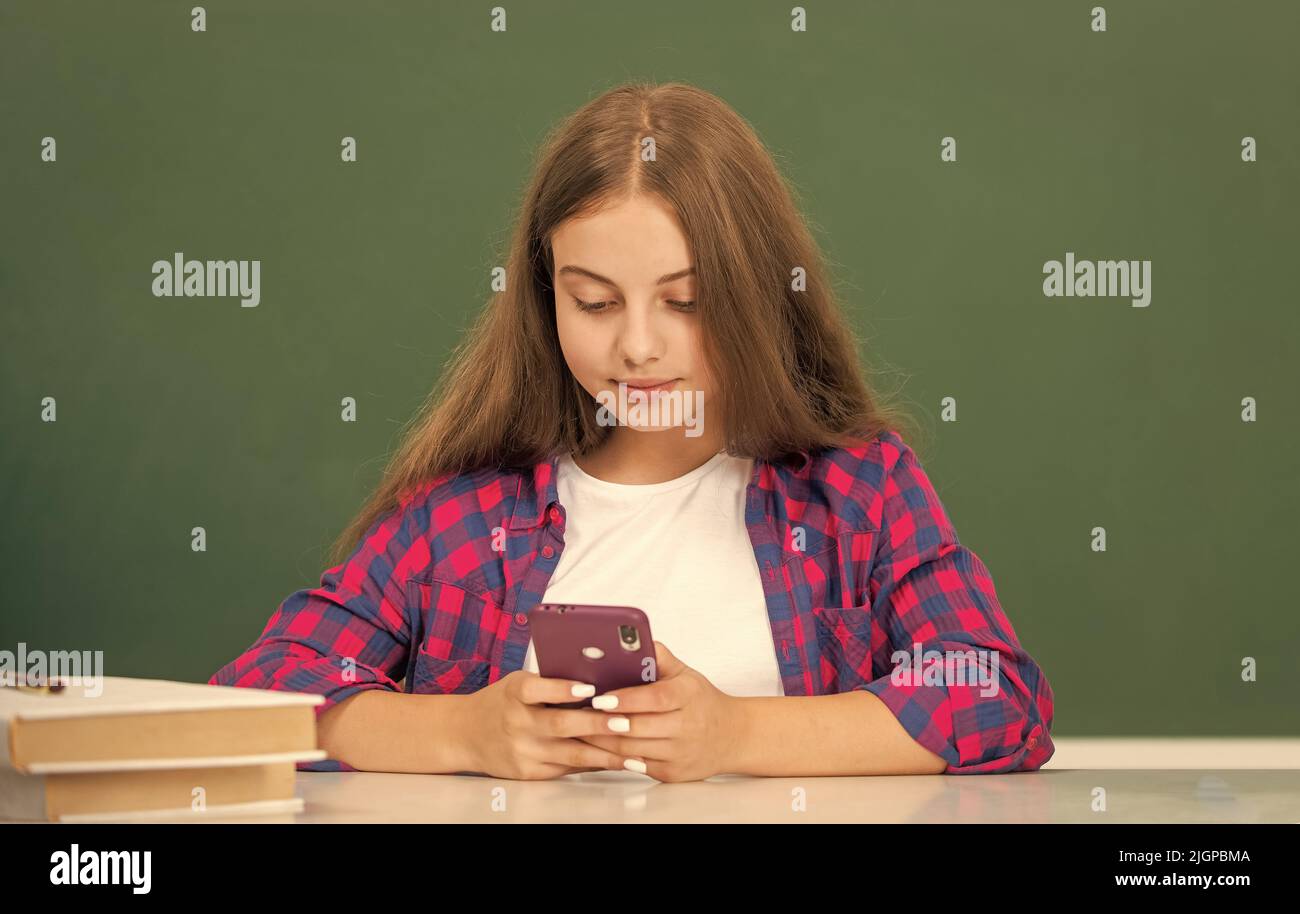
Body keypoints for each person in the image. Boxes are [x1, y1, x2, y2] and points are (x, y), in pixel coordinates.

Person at [210, 81, 1055, 782]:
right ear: (547, 301)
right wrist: (467, 734)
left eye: (685, 302)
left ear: (759, 293)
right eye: (595, 301)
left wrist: (735, 736)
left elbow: (997, 696)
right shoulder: (460, 514)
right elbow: (260, 699)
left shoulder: (857, 492)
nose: (639, 348)